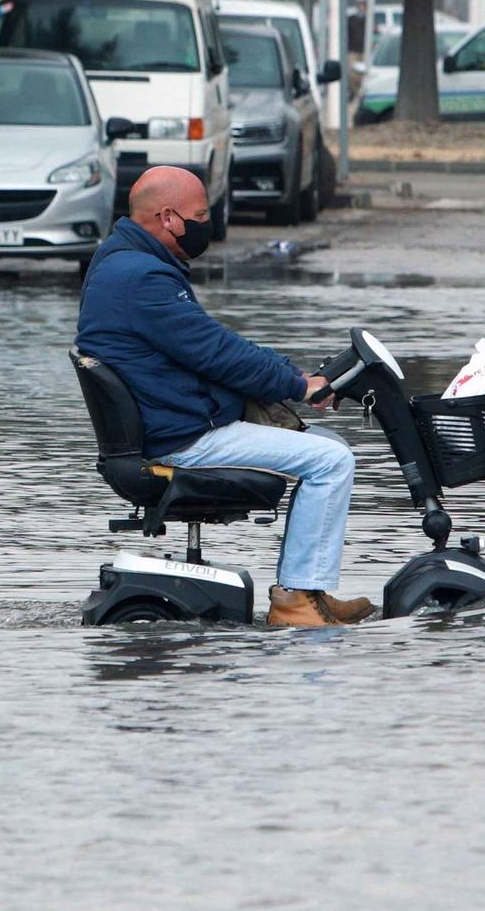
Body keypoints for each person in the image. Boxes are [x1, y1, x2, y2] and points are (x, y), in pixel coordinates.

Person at [76, 166, 368, 627]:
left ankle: (310, 593)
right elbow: (216, 352)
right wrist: (298, 385)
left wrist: (291, 373)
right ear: (169, 218)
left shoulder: (122, 261)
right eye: (200, 215)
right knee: (332, 461)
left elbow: (209, 345)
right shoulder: (142, 277)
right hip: (180, 438)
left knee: (329, 447)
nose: (206, 224)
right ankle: (296, 602)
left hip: (169, 424)